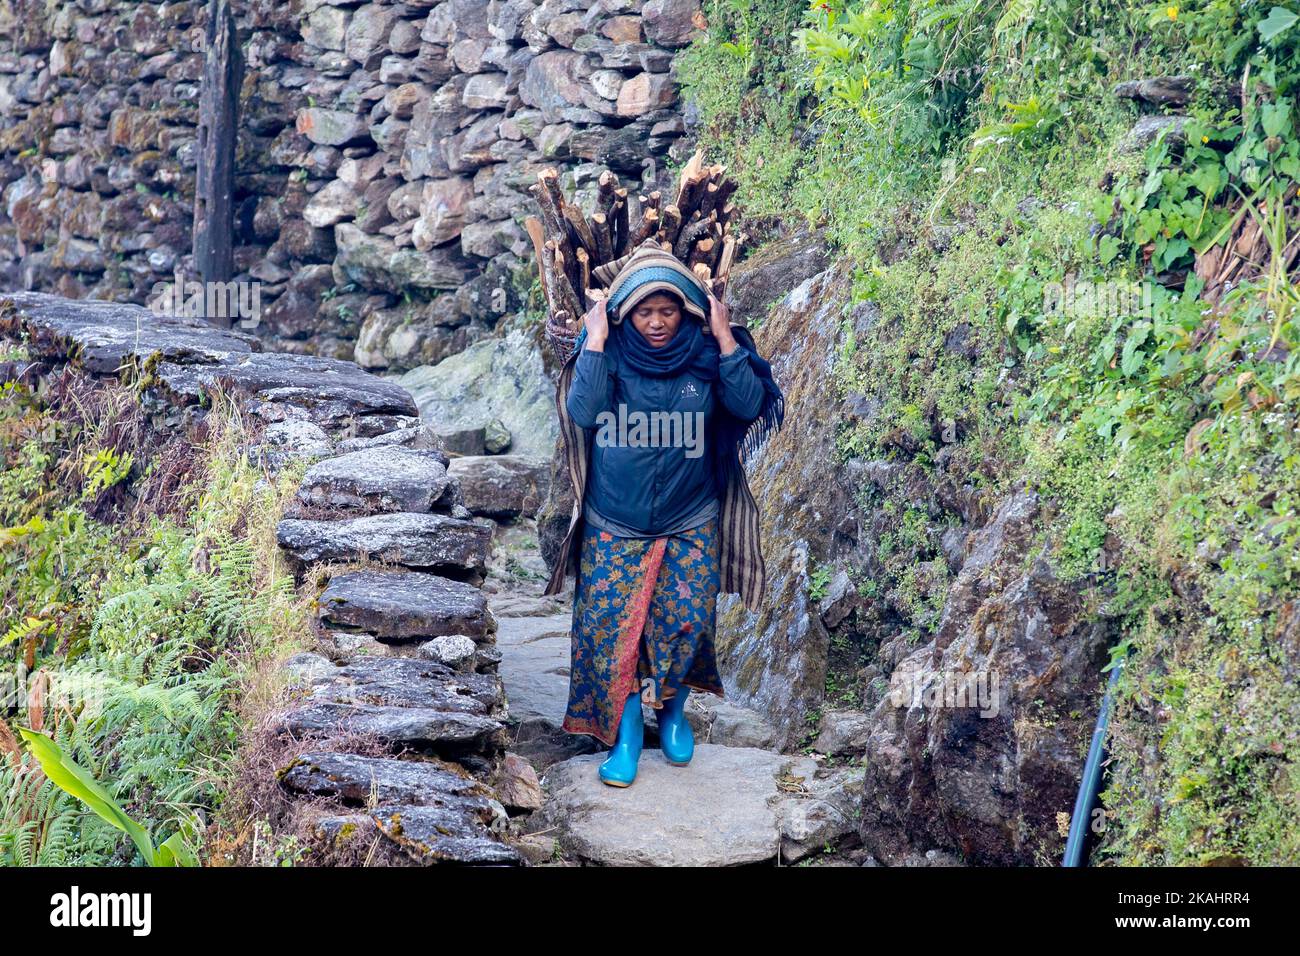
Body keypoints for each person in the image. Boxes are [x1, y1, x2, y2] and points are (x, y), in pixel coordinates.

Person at [541, 240, 785, 786]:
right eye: (646, 311)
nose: (656, 322)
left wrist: (725, 341)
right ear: (626, 311)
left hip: (688, 519)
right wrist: (597, 342)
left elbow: (748, 406)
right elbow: (582, 411)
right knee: (611, 633)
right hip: (615, 523)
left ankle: (671, 716)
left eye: (668, 311)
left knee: (682, 625)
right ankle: (626, 739)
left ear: (686, 313)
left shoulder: (706, 356)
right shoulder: (609, 354)